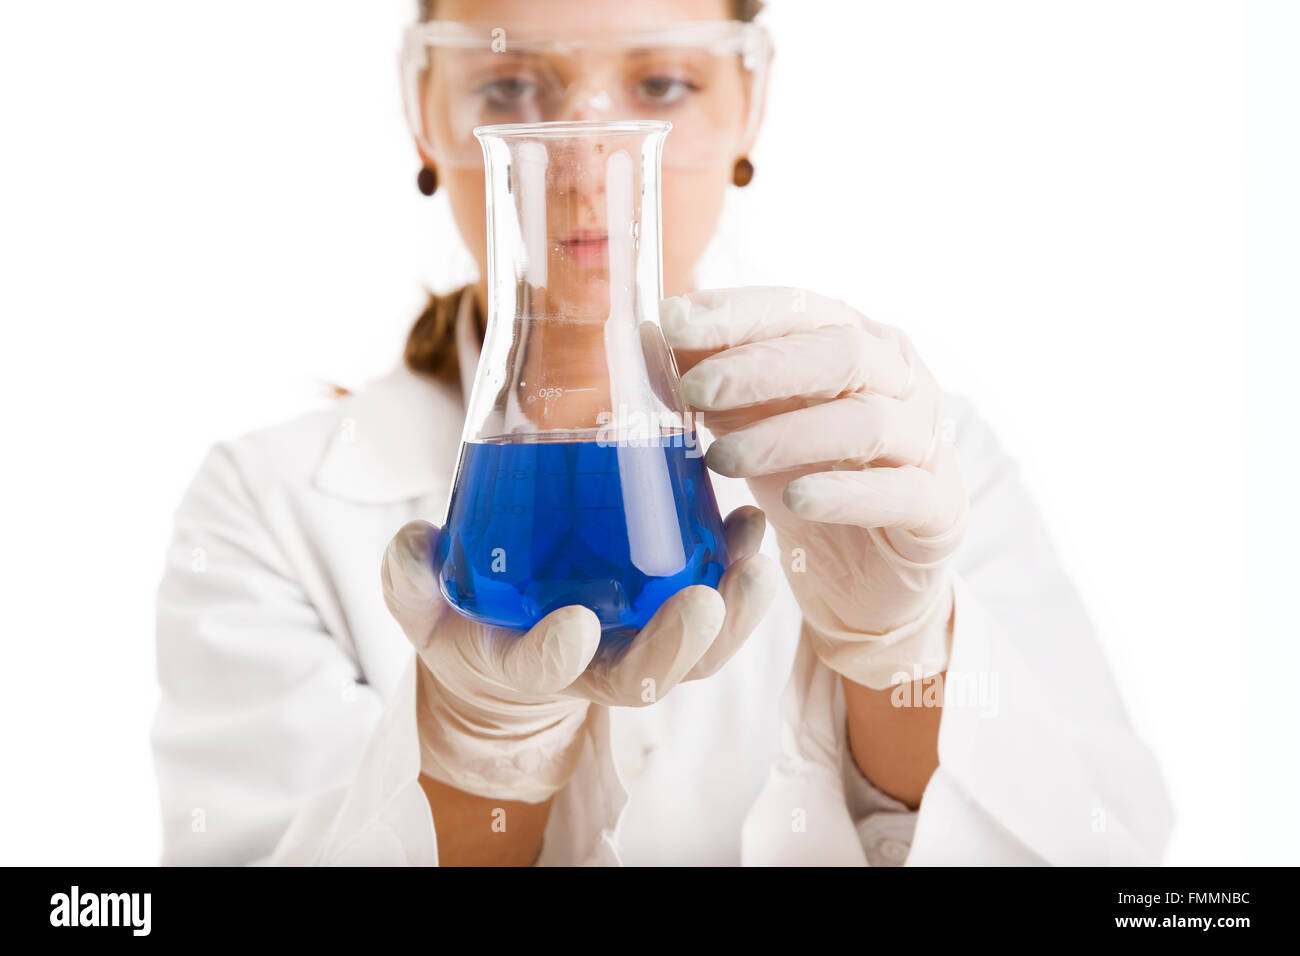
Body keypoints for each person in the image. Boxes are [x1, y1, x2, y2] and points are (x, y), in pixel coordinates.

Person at [151, 0, 1171, 866]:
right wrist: (468, 760)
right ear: (426, 111)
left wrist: (902, 663)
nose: (586, 161)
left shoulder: (912, 459)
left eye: (664, 84)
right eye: (509, 89)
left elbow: (1123, 870)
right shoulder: (268, 502)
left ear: (747, 107)